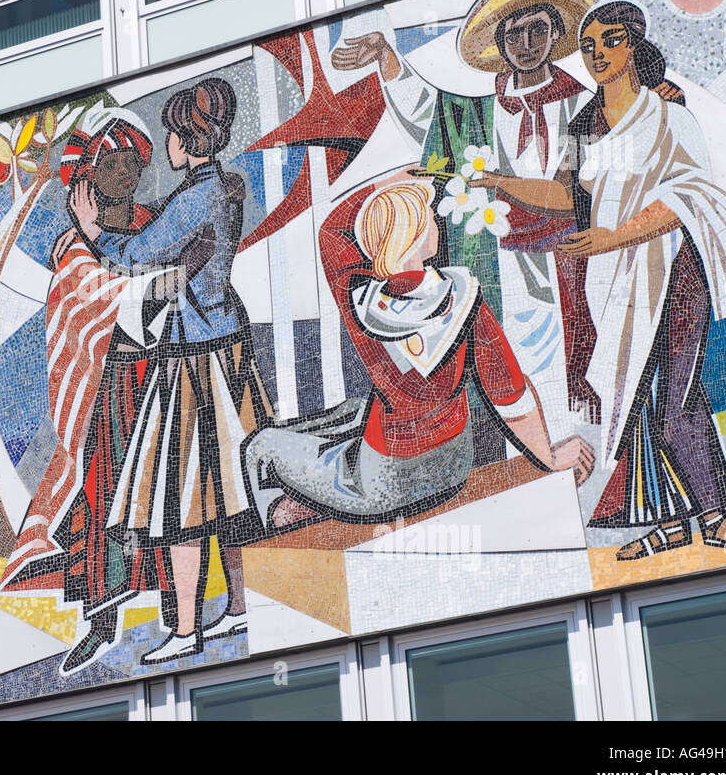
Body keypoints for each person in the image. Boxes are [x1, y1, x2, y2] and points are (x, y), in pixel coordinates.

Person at [491, 0, 726, 560]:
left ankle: (717, 521)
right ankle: (670, 524)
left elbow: (685, 195)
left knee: (678, 400)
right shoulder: (584, 125)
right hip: (612, 282)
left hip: (671, 270)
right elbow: (564, 194)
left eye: (610, 39)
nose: (598, 52)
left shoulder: (669, 113)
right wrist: (501, 182)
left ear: (634, 44)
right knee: (639, 400)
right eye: (589, 45)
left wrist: (611, 237)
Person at [332, 0, 606, 440]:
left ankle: (567, 450)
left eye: (537, 28)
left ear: (557, 32)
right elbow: (426, 111)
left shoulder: (586, 107)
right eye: (514, 33)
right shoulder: (472, 113)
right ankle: (531, 454)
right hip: (500, 266)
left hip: (570, 263)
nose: (526, 42)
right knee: (512, 356)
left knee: (570, 353)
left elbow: (595, 187)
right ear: (498, 44)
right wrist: (386, 57)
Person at [242, 177, 595, 524]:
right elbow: (508, 393)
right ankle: (312, 498)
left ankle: (284, 513)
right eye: (426, 214)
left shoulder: (360, 300)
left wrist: (386, 183)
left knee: (260, 446)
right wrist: (548, 458)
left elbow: (331, 232)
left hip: (386, 479)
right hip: (453, 464)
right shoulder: (464, 297)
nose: (435, 222)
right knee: (354, 410)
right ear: (414, 231)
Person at [69, 77, 272, 665]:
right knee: (233, 491)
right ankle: (237, 608)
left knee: (180, 499)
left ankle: (185, 630)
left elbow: (139, 254)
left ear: (187, 138)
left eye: (172, 135)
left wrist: (93, 230)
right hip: (229, 344)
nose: (166, 147)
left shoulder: (193, 199)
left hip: (193, 356)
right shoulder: (227, 187)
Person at [0, 106, 170, 675]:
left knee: (168, 489)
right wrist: (94, 242)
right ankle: (102, 620)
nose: (127, 173)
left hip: (163, 373)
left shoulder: (156, 221)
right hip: (108, 387)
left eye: (135, 163)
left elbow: (177, 270)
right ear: (90, 170)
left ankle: (178, 607)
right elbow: (82, 295)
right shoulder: (76, 243)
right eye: (116, 161)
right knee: (104, 501)